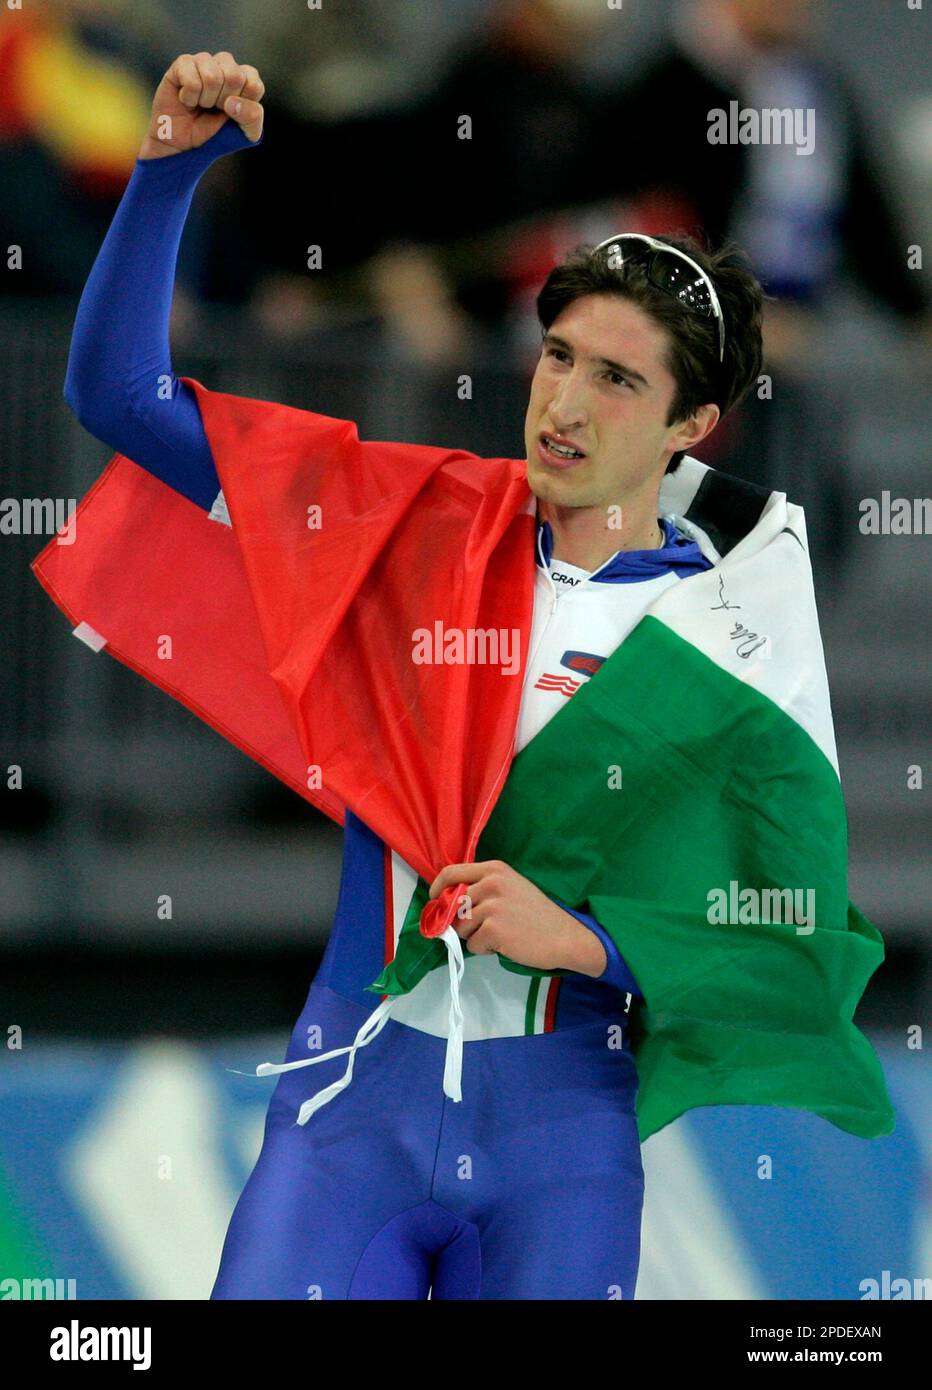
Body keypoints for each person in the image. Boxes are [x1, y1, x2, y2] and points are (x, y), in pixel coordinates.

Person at [54, 51, 893, 1301]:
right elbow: (114, 395)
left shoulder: (733, 644)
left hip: (561, 1149)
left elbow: (796, 942)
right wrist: (167, 178)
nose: (562, 400)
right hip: (351, 1106)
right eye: (557, 356)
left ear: (689, 429)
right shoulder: (417, 523)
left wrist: (592, 944)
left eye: (616, 379)